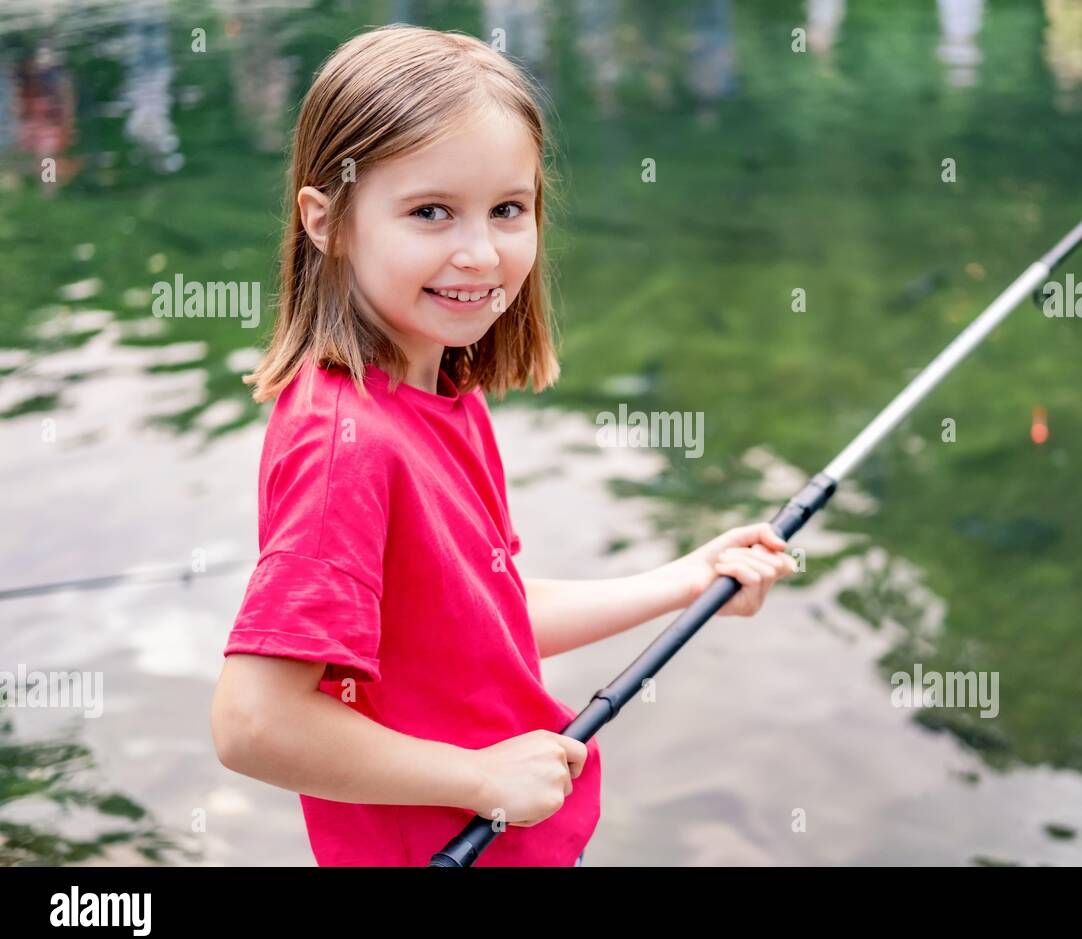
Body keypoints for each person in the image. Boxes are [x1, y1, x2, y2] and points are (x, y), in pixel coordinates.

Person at [209, 25, 796, 867]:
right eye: (430, 212)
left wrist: (682, 582)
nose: (481, 252)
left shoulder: (442, 394)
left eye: (507, 210)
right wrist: (476, 778)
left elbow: (481, 616)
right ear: (326, 221)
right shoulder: (347, 445)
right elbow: (254, 724)